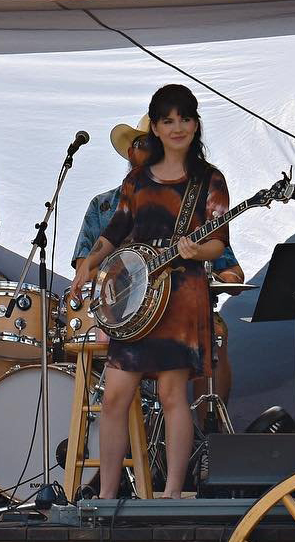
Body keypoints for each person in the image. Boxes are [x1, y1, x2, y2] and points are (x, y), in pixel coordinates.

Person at [71, 84, 230, 499]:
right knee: (114, 397)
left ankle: (173, 495)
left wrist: (198, 250)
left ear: (196, 124)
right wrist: (89, 263)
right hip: (137, 298)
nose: (178, 127)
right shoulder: (138, 179)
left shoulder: (208, 179)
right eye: (168, 120)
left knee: (172, 393)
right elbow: (115, 230)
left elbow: (219, 244)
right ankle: (106, 496)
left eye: (185, 119)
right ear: (156, 128)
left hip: (181, 296)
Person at [72, 116, 245, 404]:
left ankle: (209, 429)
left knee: (216, 333)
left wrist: (210, 275)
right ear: (130, 152)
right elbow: (84, 268)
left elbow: (232, 272)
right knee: (104, 341)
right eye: (142, 144)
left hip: (176, 308)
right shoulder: (103, 205)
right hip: (119, 313)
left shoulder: (191, 202)